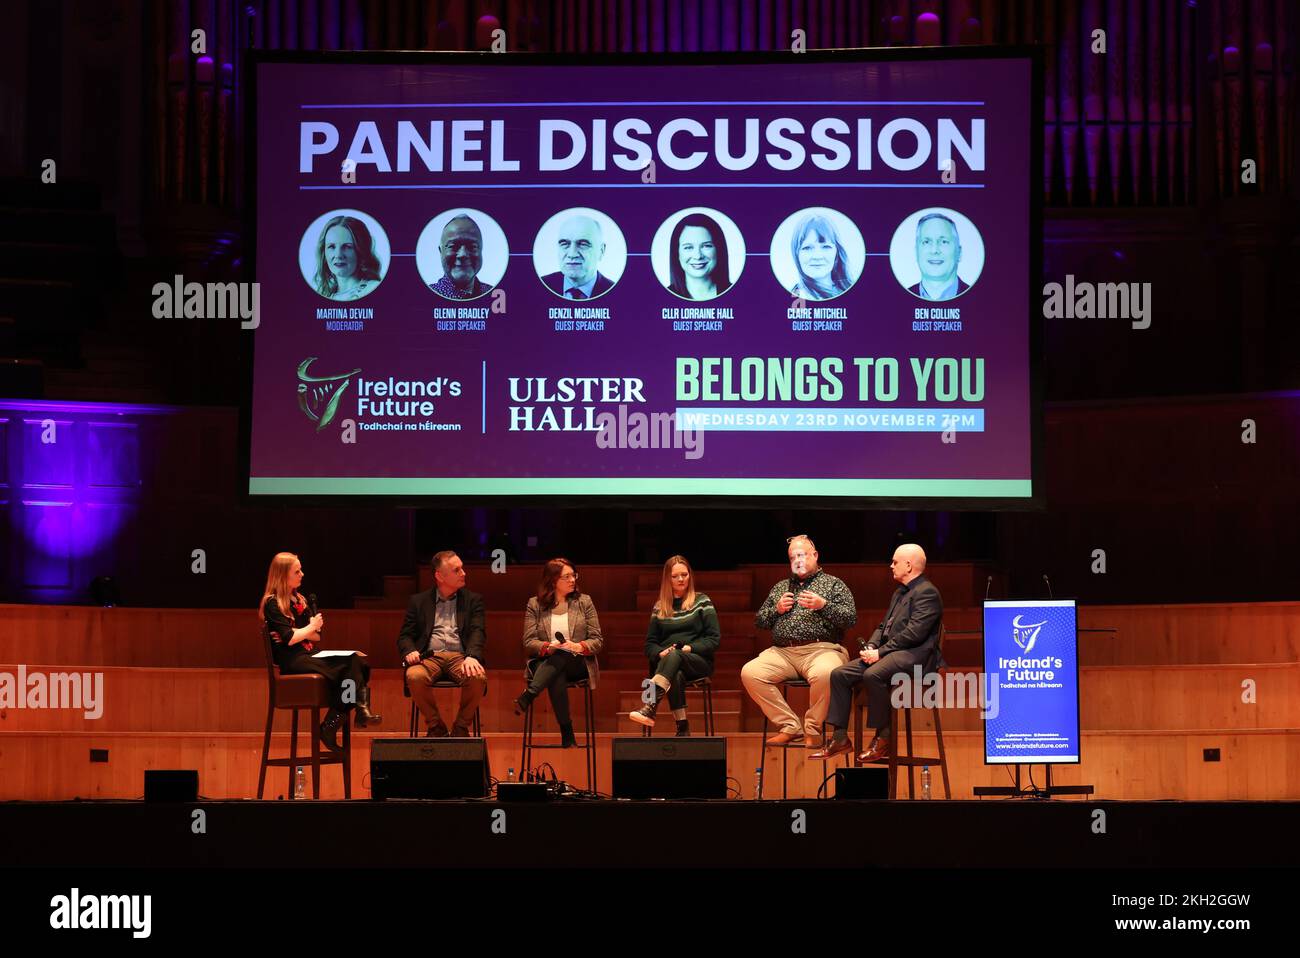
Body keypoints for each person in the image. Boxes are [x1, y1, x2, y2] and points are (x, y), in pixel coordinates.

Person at [811, 544, 944, 762]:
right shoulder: (899, 593)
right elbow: (883, 627)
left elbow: (914, 634)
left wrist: (880, 653)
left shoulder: (927, 592)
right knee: (839, 674)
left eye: (895, 562)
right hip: (892, 653)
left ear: (909, 565)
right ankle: (840, 738)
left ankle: (883, 739)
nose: (891, 566)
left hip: (915, 657)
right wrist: (872, 646)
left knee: (872, 674)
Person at [259, 551, 381, 751]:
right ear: (283, 575)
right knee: (347, 670)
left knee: (358, 662)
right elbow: (289, 639)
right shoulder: (273, 602)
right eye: (297, 571)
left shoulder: (300, 599)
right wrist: (308, 628)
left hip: (308, 652)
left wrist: (303, 631)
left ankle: (336, 721)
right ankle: (352, 711)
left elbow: (316, 636)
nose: (302, 574)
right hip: (293, 660)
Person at [742, 536, 856, 746]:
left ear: (815, 556)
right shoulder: (781, 587)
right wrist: (776, 610)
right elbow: (760, 621)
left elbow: (850, 618)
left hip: (822, 649)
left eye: (802, 555)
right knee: (751, 673)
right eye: (793, 557)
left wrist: (824, 605)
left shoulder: (833, 584)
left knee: (826, 673)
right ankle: (790, 726)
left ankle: (812, 729)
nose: (798, 560)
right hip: (783, 653)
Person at [514, 558, 603, 748]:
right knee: (557, 667)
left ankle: (530, 694)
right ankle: (567, 733)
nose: (573, 580)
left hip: (577, 663)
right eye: (567, 576)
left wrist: (578, 646)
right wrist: (548, 646)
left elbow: (597, 640)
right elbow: (528, 642)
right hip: (546, 661)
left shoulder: (584, 602)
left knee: (563, 654)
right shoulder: (535, 604)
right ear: (553, 580)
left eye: (574, 575)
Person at [397, 550, 487, 737]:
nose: (464, 573)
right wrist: (410, 651)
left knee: (477, 677)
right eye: (457, 570)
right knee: (414, 676)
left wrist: (472, 656)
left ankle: (460, 728)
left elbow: (478, 632)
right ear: (440, 576)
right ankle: (435, 725)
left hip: (460, 657)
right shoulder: (418, 601)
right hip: (430, 657)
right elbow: (404, 636)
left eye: (462, 568)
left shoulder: (473, 600)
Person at [629, 555, 720, 736]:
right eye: (675, 576)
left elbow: (713, 639)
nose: (681, 579)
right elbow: (649, 645)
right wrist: (661, 653)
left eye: (684, 575)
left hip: (697, 661)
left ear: (690, 576)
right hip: (669, 664)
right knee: (674, 671)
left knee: (676, 655)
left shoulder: (702, 601)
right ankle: (682, 727)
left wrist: (688, 648)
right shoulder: (660, 607)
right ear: (667, 579)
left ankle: (650, 705)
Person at [539, 215, 615, 299]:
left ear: (601, 251)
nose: (572, 254)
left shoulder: (617, 293)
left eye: (583, 244)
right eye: (565, 244)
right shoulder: (539, 286)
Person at [313, 214, 384, 300]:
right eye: (331, 247)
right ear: (324, 252)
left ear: (361, 251)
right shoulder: (323, 293)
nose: (338, 255)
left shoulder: (373, 288)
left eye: (347, 247)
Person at [789, 213, 856, 300]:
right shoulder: (794, 299)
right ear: (796, 255)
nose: (817, 256)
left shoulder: (854, 292)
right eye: (807, 248)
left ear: (837, 252)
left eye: (826, 247)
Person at [428, 214, 494, 300]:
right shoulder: (425, 297)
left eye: (472, 246)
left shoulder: (494, 295)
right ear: (441, 251)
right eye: (453, 246)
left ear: (481, 250)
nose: (463, 254)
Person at [668, 212, 732, 300]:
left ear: (719, 250)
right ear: (676, 253)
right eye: (688, 247)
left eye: (706, 246)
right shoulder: (660, 298)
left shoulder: (737, 295)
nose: (698, 256)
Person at [907, 212, 970, 301]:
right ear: (916, 252)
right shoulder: (896, 299)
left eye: (944, 242)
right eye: (926, 242)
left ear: (959, 253)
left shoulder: (981, 298)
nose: (934, 250)